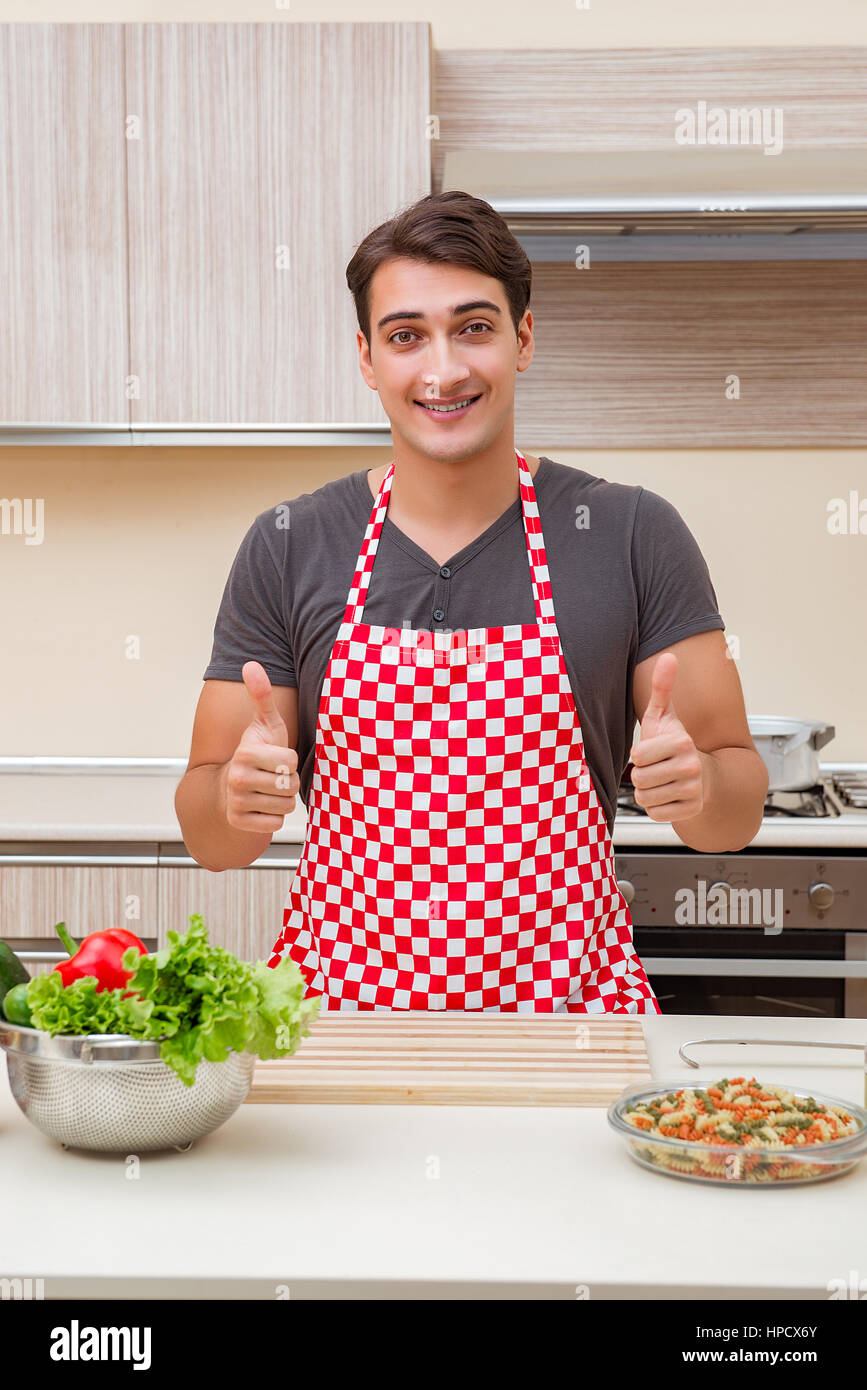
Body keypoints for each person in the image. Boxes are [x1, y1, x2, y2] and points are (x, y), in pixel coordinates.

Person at [175, 190, 768, 1013]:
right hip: (343, 1029)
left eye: (475, 327)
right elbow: (212, 839)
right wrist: (235, 799)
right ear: (366, 357)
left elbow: (734, 811)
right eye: (406, 335)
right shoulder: (288, 543)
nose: (443, 369)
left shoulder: (631, 532)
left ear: (523, 339)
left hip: (569, 1027)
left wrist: (698, 789)